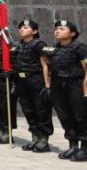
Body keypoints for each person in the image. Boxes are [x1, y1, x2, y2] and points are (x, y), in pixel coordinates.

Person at [42, 19, 87, 161]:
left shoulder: (80, 48)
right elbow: (49, 69)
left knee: (81, 116)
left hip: (76, 84)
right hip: (58, 85)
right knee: (65, 116)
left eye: (62, 29)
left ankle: (84, 148)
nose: (57, 31)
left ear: (72, 33)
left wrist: (86, 91)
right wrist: (48, 86)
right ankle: (72, 145)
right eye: (56, 29)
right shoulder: (54, 48)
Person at [13, 18, 53, 153]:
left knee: (41, 111)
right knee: (28, 111)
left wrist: (47, 85)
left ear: (34, 31)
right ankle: (35, 137)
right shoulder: (18, 45)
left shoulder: (39, 44)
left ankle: (43, 139)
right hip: (22, 82)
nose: (22, 29)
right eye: (21, 28)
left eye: (26, 27)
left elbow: (45, 65)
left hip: (36, 81)